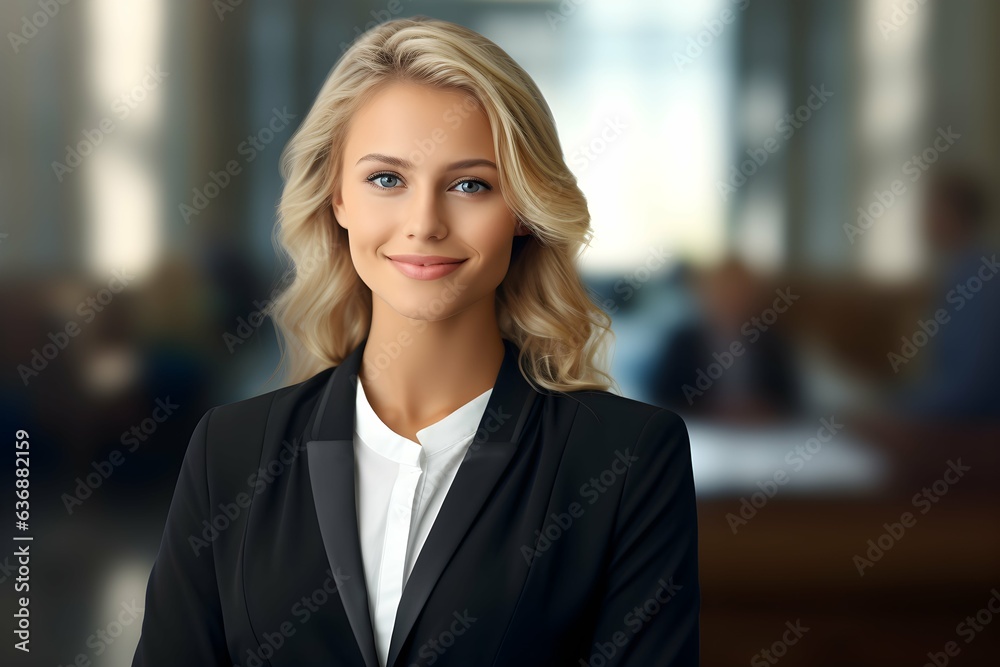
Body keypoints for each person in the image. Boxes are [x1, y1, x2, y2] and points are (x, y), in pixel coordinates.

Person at [131, 16, 699, 667]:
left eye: (470, 184)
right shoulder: (227, 452)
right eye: (386, 179)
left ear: (521, 210)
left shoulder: (628, 459)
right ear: (336, 197)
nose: (424, 223)